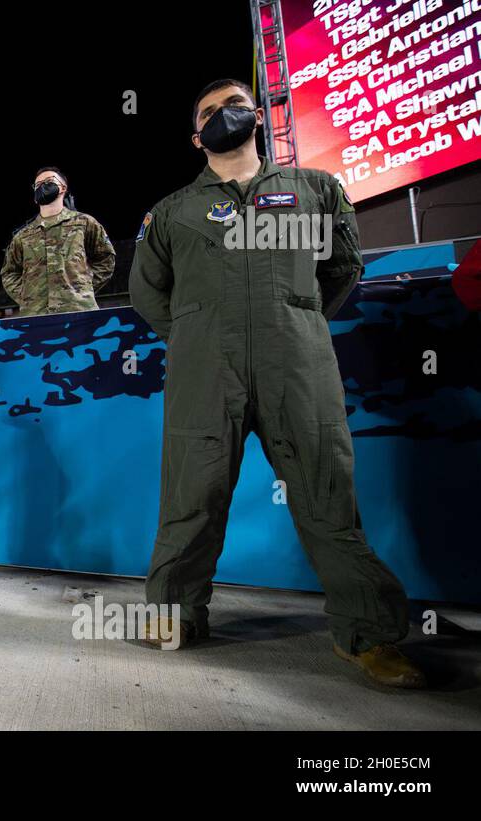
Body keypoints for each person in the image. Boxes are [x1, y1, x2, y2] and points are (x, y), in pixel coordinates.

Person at [127, 78, 424, 688]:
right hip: (205, 369)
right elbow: (146, 289)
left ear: (256, 116)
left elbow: (342, 269)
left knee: (326, 492)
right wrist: (192, 334)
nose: (223, 117)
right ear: (194, 136)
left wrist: (296, 317)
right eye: (209, 112)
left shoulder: (315, 191)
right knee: (192, 495)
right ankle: (174, 614)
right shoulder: (173, 211)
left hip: (297, 364)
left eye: (234, 106)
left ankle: (368, 634)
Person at [0, 166, 115, 316]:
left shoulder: (84, 223)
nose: (42, 186)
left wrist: (84, 287)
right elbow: (9, 272)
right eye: (38, 184)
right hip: (36, 316)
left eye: (48, 181)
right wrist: (26, 296)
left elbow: (106, 258)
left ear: (63, 188)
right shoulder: (22, 236)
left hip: (79, 311)